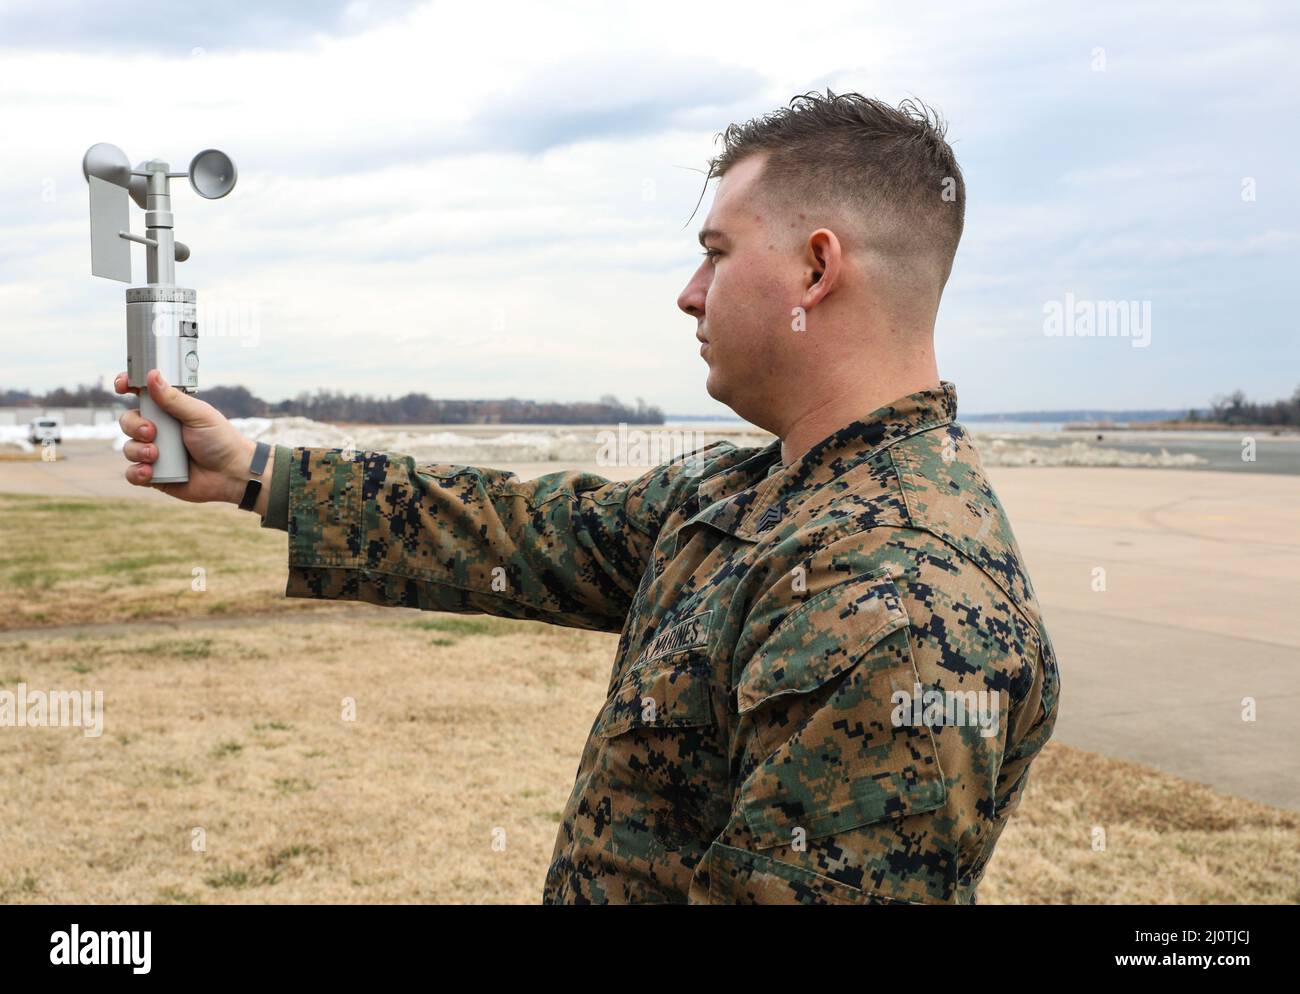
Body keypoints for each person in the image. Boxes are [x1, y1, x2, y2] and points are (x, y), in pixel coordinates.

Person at [114, 90, 1059, 905]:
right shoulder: (758, 491)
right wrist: (253, 471)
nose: (690, 294)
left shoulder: (894, 605)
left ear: (816, 270)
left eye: (717, 254)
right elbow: (524, 533)